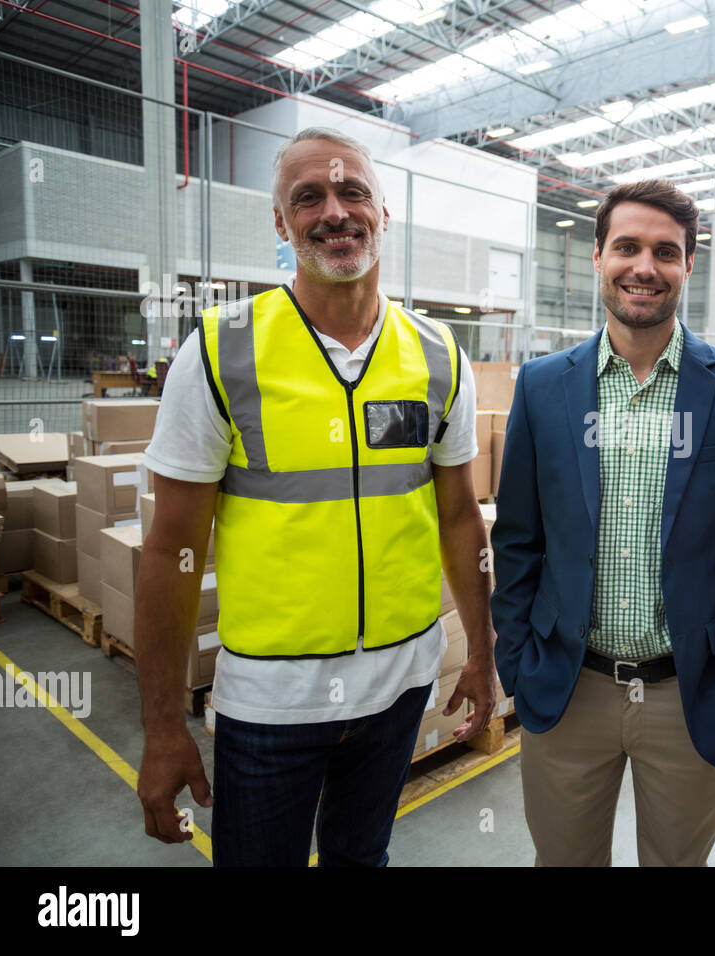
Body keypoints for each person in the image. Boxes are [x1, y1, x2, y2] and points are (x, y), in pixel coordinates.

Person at [134, 126, 496, 866]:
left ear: (383, 213)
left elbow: (460, 519)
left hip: (400, 690)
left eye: (353, 191)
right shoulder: (220, 350)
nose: (334, 211)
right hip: (271, 707)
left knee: (362, 860)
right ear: (281, 222)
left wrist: (482, 656)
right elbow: (170, 549)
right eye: (309, 197)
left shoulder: (436, 354)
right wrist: (164, 728)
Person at [491, 180, 715, 866]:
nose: (644, 266)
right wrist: (518, 664)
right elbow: (518, 540)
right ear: (597, 256)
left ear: (687, 265)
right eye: (627, 247)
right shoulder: (542, 386)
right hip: (568, 689)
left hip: (687, 698)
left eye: (665, 251)